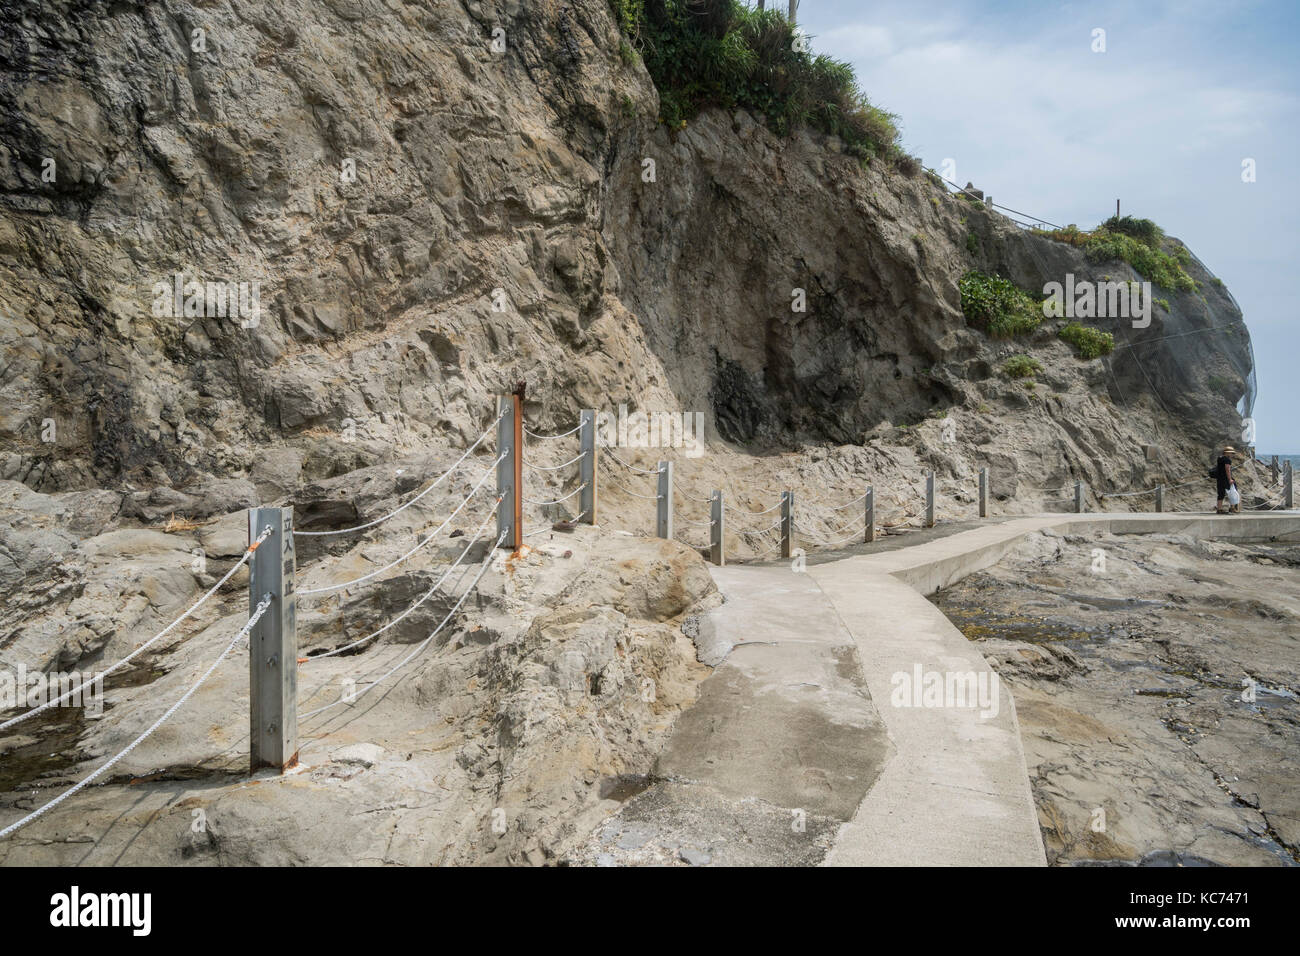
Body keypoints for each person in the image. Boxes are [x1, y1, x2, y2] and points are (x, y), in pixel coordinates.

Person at [1213, 445, 1236, 513]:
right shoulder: (1227, 460)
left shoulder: (1219, 458)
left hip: (1219, 478)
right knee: (1232, 492)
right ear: (1227, 453)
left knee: (1221, 493)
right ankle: (1232, 508)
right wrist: (1230, 479)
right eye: (1231, 453)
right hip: (1226, 479)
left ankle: (1219, 509)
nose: (1232, 454)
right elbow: (1227, 469)